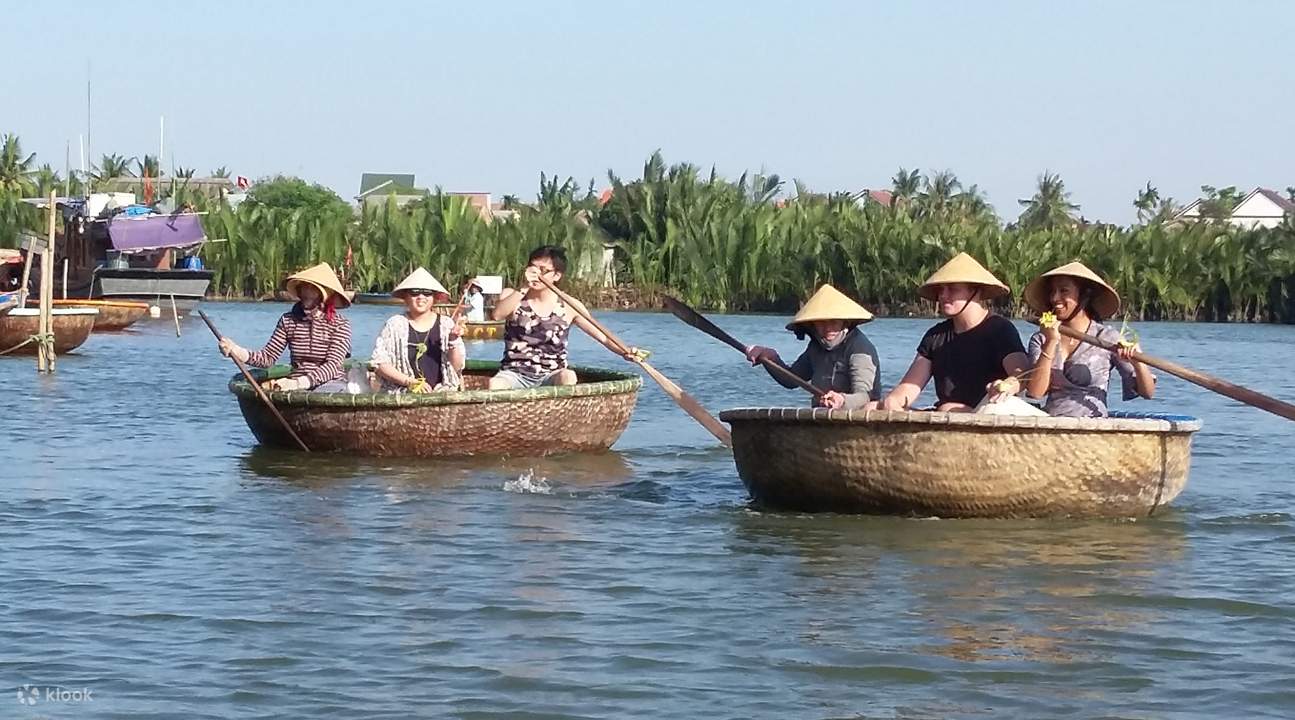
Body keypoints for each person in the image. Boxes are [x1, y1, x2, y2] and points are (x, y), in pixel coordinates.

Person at [995, 261, 1155, 417]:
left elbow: (1147, 393)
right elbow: (1036, 392)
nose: (1055, 298)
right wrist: (1050, 342)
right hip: (1051, 425)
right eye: (1052, 292)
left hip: (1093, 424)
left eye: (1064, 291)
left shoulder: (1106, 338)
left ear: (1083, 296)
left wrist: (1137, 362)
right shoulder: (1040, 338)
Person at [881, 252, 1029, 412]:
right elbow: (910, 386)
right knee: (873, 407)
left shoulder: (1000, 329)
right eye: (941, 290)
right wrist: (893, 401)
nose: (943, 295)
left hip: (987, 412)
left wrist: (1006, 385)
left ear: (976, 292)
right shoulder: (935, 336)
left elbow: (1022, 374)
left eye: (952, 289)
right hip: (945, 415)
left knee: (948, 408)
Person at [489, 245, 640, 389]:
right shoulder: (512, 295)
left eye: (543, 270)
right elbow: (497, 315)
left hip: (552, 374)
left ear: (556, 275)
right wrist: (524, 287)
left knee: (568, 376)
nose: (537, 275)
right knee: (495, 384)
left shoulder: (569, 305)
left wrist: (625, 352)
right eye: (533, 269)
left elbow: (603, 337)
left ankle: (561, 412)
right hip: (514, 374)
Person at [219, 262, 352, 391]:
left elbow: (332, 365)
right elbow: (267, 358)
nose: (306, 293)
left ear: (323, 295)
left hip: (330, 384)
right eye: (303, 288)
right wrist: (236, 351)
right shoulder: (288, 320)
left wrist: (300, 383)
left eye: (312, 289)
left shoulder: (340, 325)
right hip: (296, 382)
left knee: (325, 391)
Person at [744, 284, 881, 409]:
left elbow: (865, 396)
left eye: (833, 322)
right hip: (822, 417)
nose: (828, 328)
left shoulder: (859, 348)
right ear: (813, 324)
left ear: (844, 322)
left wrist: (842, 400)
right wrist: (770, 358)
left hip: (855, 419)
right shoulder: (816, 347)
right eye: (821, 323)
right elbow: (791, 380)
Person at [371, 267, 468, 393]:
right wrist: (409, 382)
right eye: (415, 292)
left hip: (441, 393)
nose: (421, 297)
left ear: (434, 297)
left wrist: (453, 340)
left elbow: (456, 368)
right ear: (406, 297)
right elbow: (380, 363)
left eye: (427, 293)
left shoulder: (446, 324)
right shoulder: (394, 324)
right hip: (401, 393)